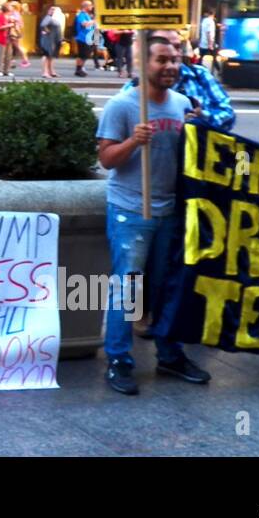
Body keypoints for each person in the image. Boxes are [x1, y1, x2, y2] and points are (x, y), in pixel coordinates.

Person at [97, 33, 211, 395]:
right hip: (130, 211)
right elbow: (106, 159)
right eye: (162, 60)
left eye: (175, 59)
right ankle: (119, 360)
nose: (170, 66)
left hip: (169, 211)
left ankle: (169, 355)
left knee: (165, 288)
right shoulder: (123, 106)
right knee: (128, 289)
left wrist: (198, 128)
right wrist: (133, 141)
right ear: (142, 64)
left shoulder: (181, 104)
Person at [121, 30, 235, 130]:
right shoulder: (131, 90)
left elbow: (228, 116)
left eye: (176, 46)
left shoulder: (200, 75)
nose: (173, 53)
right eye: (164, 46)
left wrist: (203, 117)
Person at [39, 5, 63, 78]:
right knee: (46, 56)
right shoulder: (49, 18)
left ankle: (51, 71)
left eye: (54, 10)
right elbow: (43, 25)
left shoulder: (55, 18)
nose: (52, 11)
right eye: (51, 9)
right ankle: (45, 72)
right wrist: (47, 31)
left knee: (51, 56)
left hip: (53, 40)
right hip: (48, 40)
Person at [73, 1, 95, 77]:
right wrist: (94, 21)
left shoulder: (86, 15)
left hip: (87, 38)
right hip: (82, 38)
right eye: (90, 5)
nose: (92, 7)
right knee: (82, 55)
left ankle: (80, 68)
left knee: (85, 55)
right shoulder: (81, 15)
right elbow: (84, 24)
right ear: (86, 7)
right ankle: (78, 69)